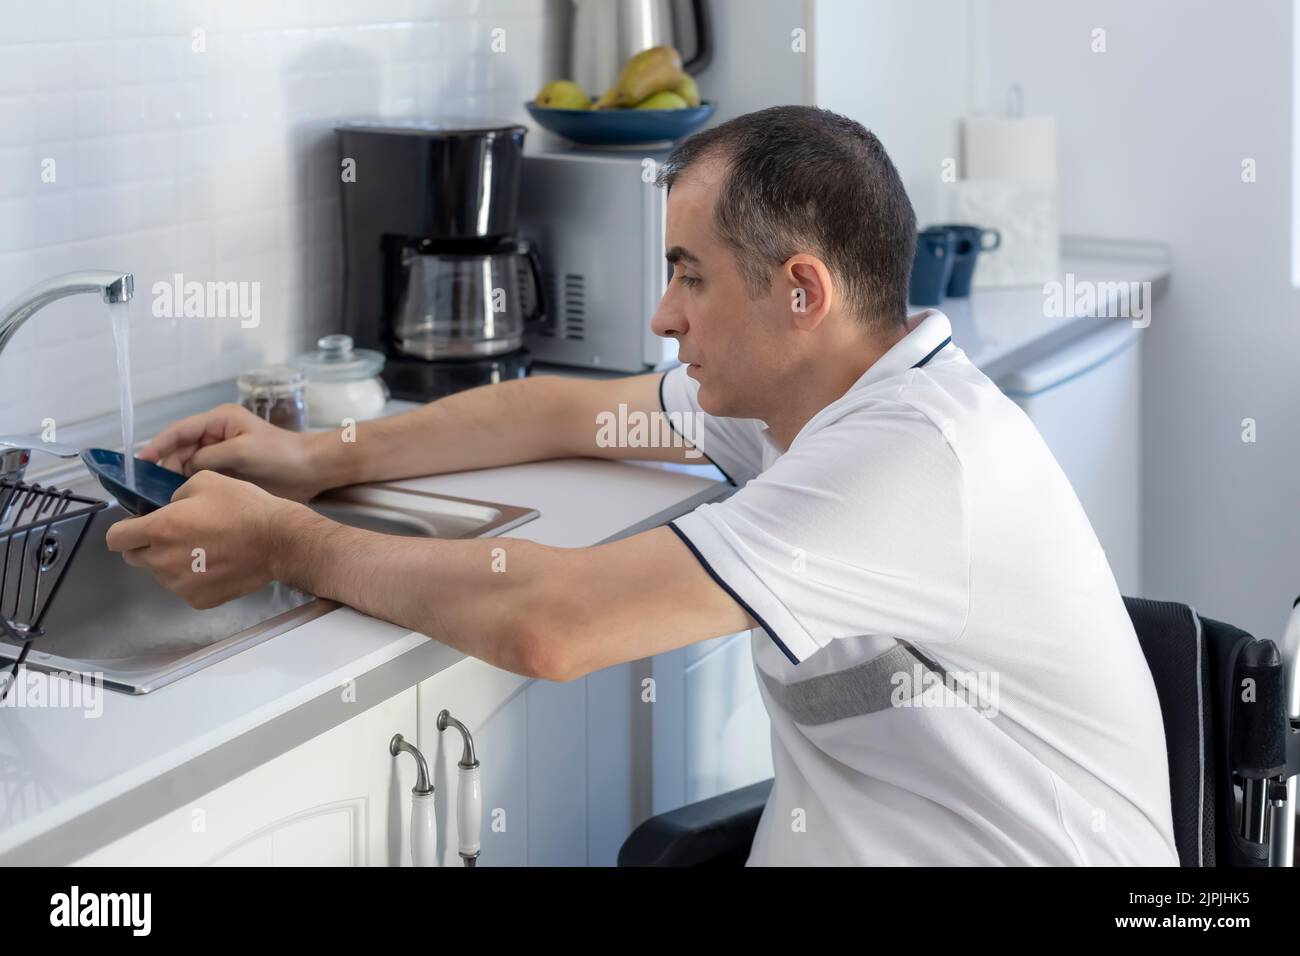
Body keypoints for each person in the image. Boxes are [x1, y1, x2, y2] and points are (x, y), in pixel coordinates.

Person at [107, 106, 1179, 866]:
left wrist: (290, 541)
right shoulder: (807, 404)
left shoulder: (909, 461)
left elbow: (551, 623)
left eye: (689, 274)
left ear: (800, 290)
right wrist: (317, 458)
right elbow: (557, 407)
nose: (663, 314)